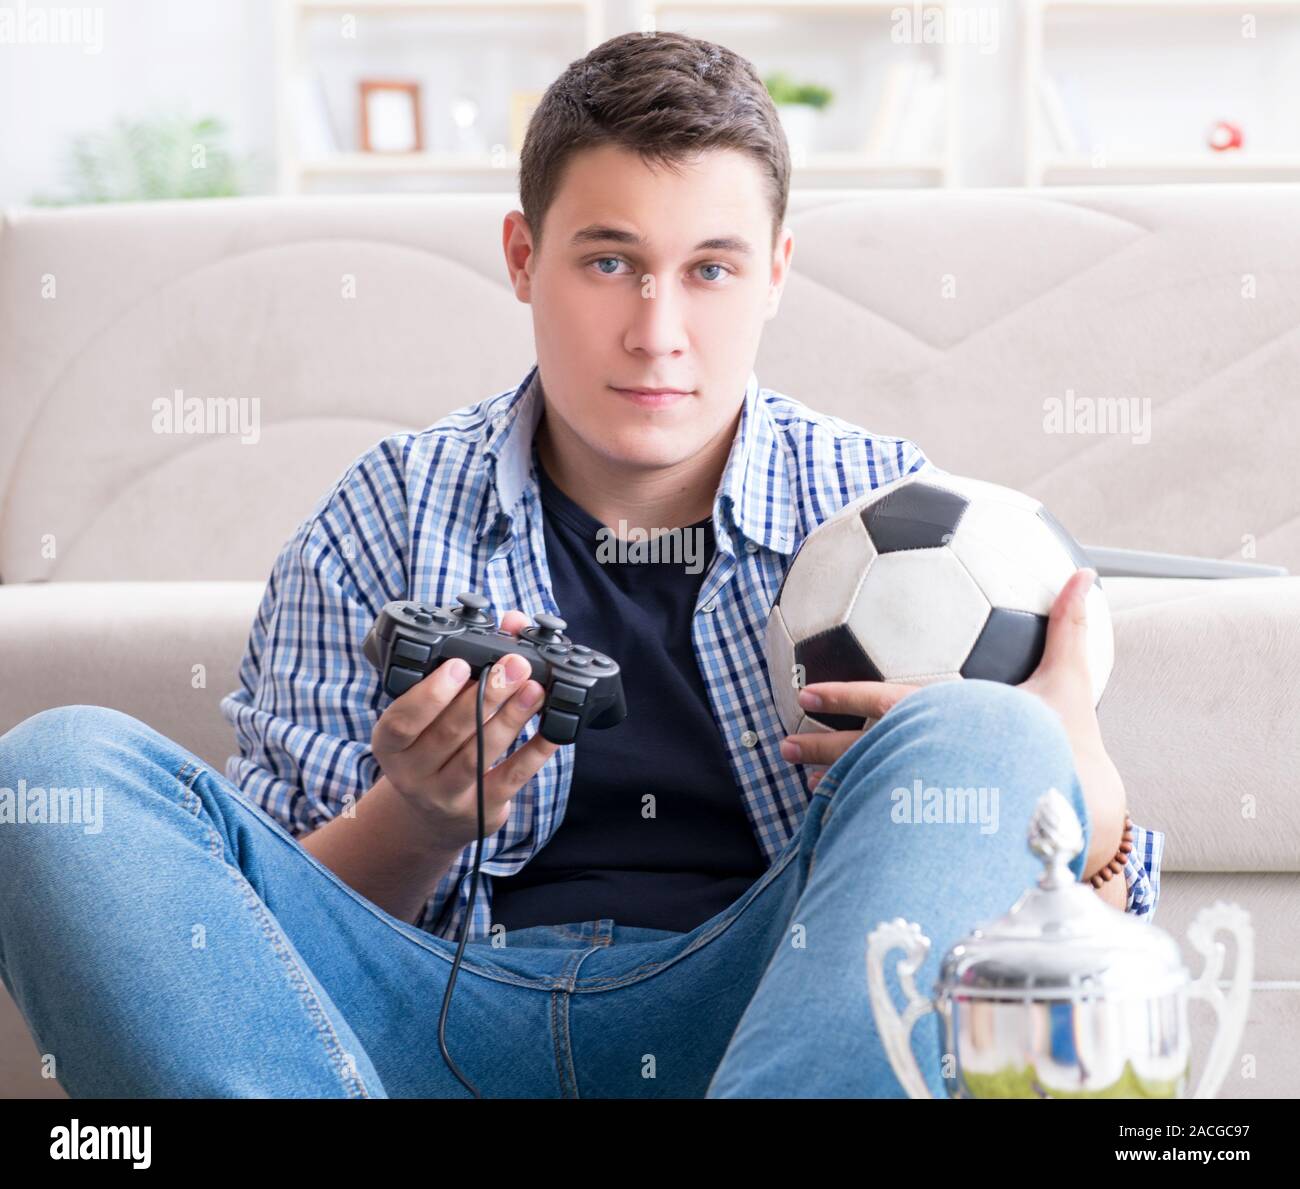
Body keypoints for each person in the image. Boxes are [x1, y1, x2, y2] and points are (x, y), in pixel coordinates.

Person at [0, 30, 1162, 1099]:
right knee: (51, 770)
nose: (657, 329)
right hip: (413, 1025)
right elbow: (250, 940)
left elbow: (1059, 925)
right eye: (609, 263)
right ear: (523, 256)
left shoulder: (890, 508)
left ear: (777, 269)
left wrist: (1075, 765)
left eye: (710, 268)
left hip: (758, 1020)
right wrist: (417, 817)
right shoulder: (385, 512)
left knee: (995, 735)